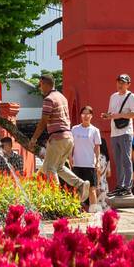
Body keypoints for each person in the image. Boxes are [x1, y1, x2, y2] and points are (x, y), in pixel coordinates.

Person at [29, 74, 90, 204]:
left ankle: (55, 199)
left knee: (50, 168)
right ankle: (80, 184)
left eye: (41, 85)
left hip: (57, 138)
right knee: (60, 167)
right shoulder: (62, 97)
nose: (40, 88)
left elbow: (43, 122)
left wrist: (34, 138)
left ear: (45, 84)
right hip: (68, 137)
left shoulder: (49, 99)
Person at [106, 74, 134, 196]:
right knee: (117, 160)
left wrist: (120, 115)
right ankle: (120, 186)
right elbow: (111, 113)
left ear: (128, 84)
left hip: (126, 132)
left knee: (126, 159)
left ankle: (127, 186)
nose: (120, 85)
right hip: (114, 132)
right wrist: (107, 116)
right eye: (119, 82)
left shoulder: (131, 97)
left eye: (123, 82)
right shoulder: (113, 97)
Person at [71, 106, 102, 209]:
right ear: (81, 115)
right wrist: (70, 158)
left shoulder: (95, 130)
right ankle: (75, 210)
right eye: (83, 113)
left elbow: (97, 148)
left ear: (91, 116)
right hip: (77, 164)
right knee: (76, 189)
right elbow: (71, 145)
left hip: (90, 164)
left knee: (91, 189)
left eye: (88, 113)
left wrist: (97, 162)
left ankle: (94, 212)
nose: (85, 116)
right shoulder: (75, 129)